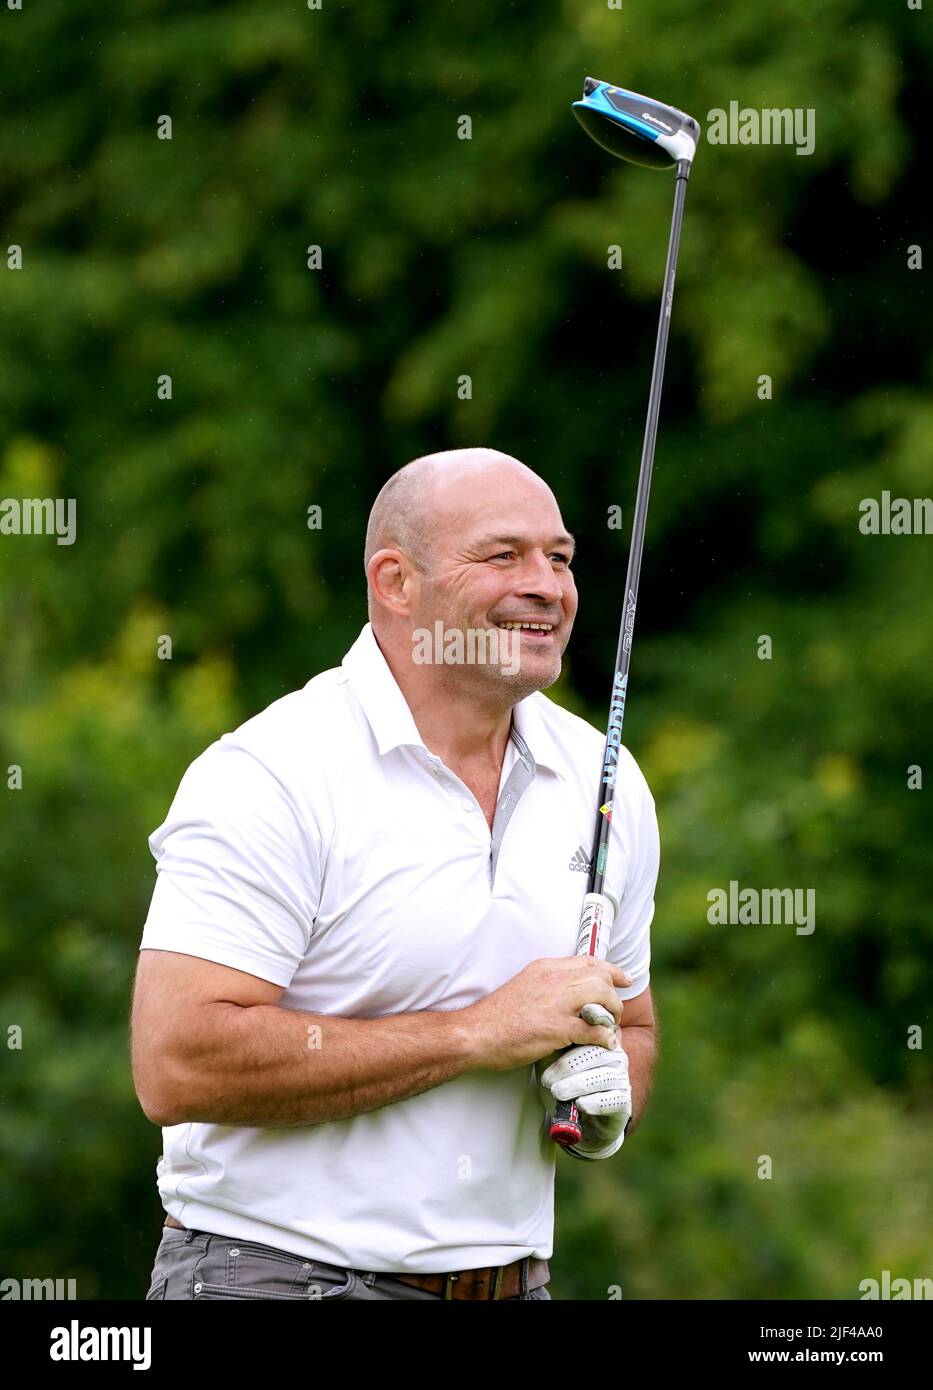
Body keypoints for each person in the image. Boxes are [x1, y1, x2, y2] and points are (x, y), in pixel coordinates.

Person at [131, 447, 660, 1301]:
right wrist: (472, 1033)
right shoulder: (272, 772)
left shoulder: (604, 778)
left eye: (559, 559)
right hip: (274, 1278)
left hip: (511, 1284)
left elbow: (628, 1024)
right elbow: (176, 1064)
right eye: (503, 555)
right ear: (395, 580)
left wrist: (607, 1100)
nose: (548, 586)